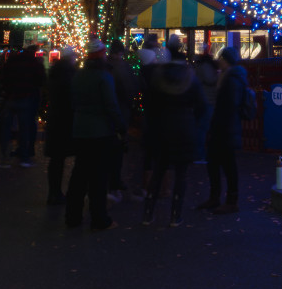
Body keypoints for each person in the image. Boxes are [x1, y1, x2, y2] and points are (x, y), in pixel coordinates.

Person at [142, 42, 205, 225]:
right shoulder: (190, 78)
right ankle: (175, 215)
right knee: (181, 174)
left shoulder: (158, 77)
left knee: (159, 171)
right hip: (184, 129)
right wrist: (192, 121)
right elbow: (201, 106)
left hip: (161, 130)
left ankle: (148, 212)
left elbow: (150, 106)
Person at [66, 41, 124, 231]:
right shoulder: (104, 77)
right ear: (102, 55)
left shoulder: (78, 76)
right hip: (100, 130)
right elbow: (111, 106)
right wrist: (120, 126)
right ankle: (99, 218)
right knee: (98, 176)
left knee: (79, 173)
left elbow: (72, 101)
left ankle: (73, 216)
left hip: (80, 129)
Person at [199, 45, 249, 214]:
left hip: (226, 128)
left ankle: (228, 200)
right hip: (225, 127)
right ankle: (219, 197)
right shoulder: (230, 76)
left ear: (226, 60)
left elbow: (230, 105)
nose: (218, 61)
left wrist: (219, 124)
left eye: (221, 58)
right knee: (217, 162)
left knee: (226, 164)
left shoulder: (232, 78)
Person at [0, 46, 45, 167]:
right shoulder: (34, 64)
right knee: (24, 129)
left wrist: (7, 92)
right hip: (25, 98)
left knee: (6, 129)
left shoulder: (12, 62)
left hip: (11, 98)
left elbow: (4, 78)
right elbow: (41, 80)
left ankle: (4, 158)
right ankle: (24, 158)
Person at [43, 45, 77, 204]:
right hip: (66, 120)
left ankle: (53, 192)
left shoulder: (54, 72)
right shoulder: (70, 74)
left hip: (55, 119)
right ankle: (60, 193)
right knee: (62, 157)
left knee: (56, 159)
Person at [105, 40, 136, 199]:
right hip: (120, 112)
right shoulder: (122, 67)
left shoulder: (105, 66)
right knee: (117, 149)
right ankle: (114, 182)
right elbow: (129, 89)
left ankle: (109, 182)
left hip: (106, 116)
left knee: (108, 149)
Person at [192, 50, 220, 165]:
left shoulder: (199, 67)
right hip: (208, 100)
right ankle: (200, 154)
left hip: (205, 100)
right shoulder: (206, 67)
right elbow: (210, 80)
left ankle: (200, 154)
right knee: (203, 128)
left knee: (202, 128)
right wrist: (218, 74)